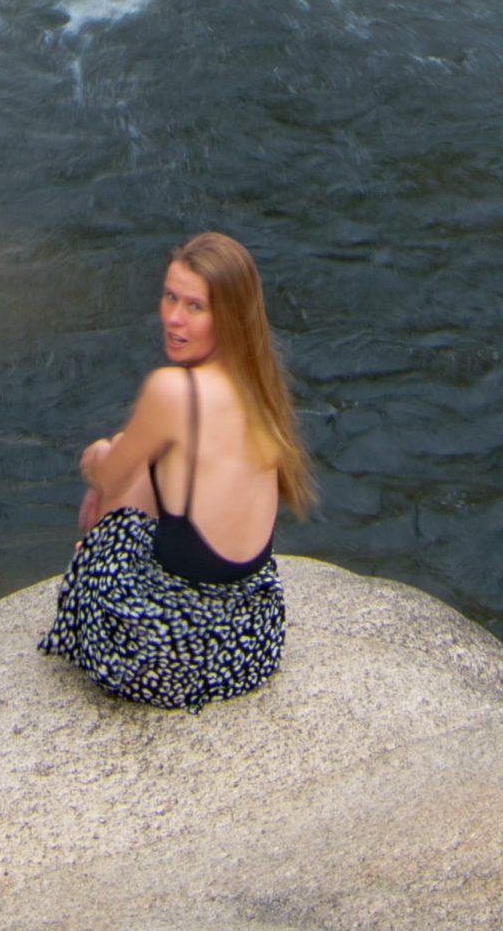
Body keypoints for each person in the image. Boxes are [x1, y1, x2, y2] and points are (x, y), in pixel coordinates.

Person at [39, 230, 314, 710]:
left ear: (228, 317)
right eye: (169, 297)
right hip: (250, 644)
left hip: (169, 658)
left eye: (194, 306)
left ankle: (96, 571)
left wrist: (100, 456)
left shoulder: (173, 392)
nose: (172, 318)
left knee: (122, 451)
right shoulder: (259, 386)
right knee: (146, 456)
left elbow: (108, 476)